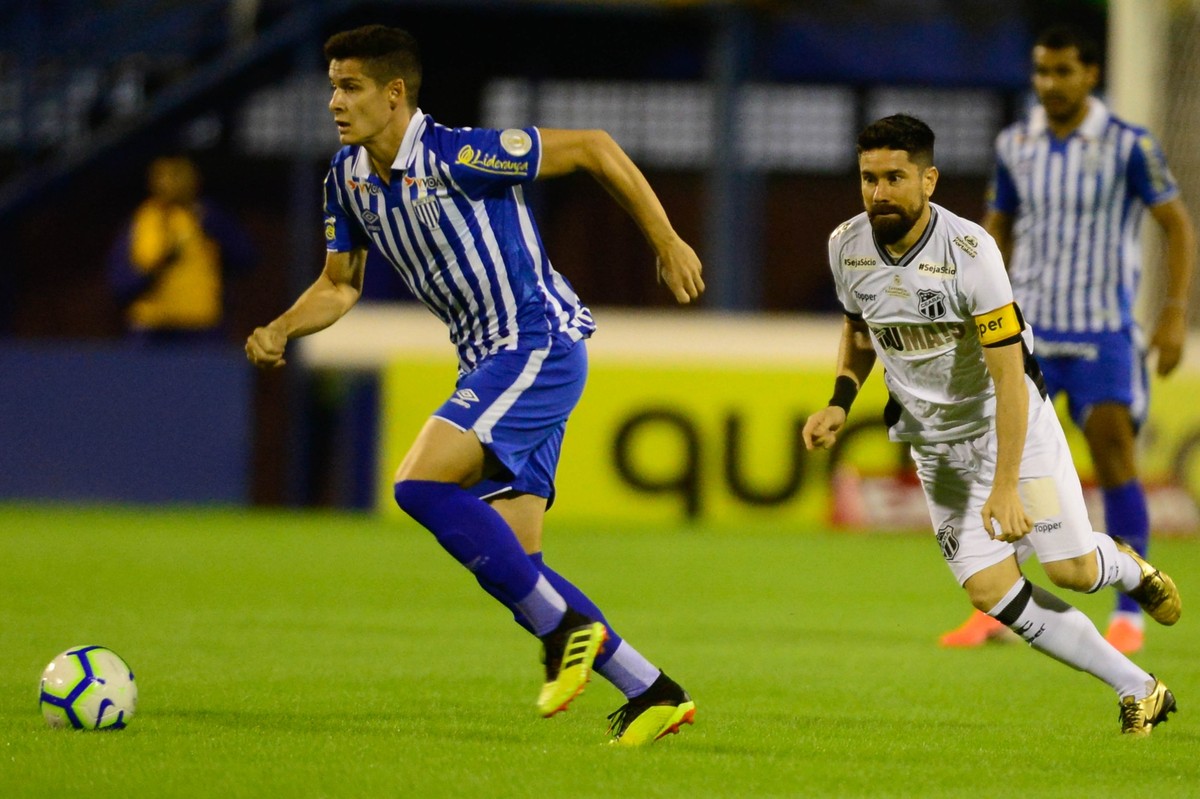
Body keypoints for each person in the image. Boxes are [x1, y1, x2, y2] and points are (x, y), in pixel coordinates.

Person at [244, 25, 702, 745]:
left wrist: (666, 240)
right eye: (332, 85)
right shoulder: (348, 180)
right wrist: (282, 327)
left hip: (535, 344)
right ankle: (652, 690)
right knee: (519, 565)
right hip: (491, 360)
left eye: (351, 86)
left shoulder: (460, 154)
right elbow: (339, 285)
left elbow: (594, 148)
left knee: (419, 485)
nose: (335, 100)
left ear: (394, 94)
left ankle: (566, 636)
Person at [803, 113, 1180, 736]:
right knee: (989, 593)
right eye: (868, 178)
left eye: (895, 177)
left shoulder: (970, 252)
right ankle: (1138, 687)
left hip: (1014, 435)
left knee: (1071, 570)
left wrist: (1005, 483)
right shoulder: (847, 245)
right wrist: (840, 399)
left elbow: (1009, 377)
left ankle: (1128, 568)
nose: (879, 192)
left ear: (929, 179)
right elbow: (859, 329)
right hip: (935, 448)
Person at [939, 25, 1196, 653]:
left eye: (1061, 72)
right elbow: (993, 229)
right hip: (1026, 332)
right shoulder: (1015, 143)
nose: (1048, 85)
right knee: (1005, 467)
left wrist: (1171, 315)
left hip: (1104, 329)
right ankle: (1001, 604)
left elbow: (1176, 225)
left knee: (1113, 458)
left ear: (1090, 75)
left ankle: (1128, 613)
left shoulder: (1128, 145)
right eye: (1040, 72)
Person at [108, 155, 255, 344]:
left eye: (177, 174)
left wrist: (215, 227)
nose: (169, 182)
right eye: (163, 175)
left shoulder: (210, 216)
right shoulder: (142, 219)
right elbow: (119, 282)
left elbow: (246, 257)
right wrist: (156, 267)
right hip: (151, 331)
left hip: (202, 329)